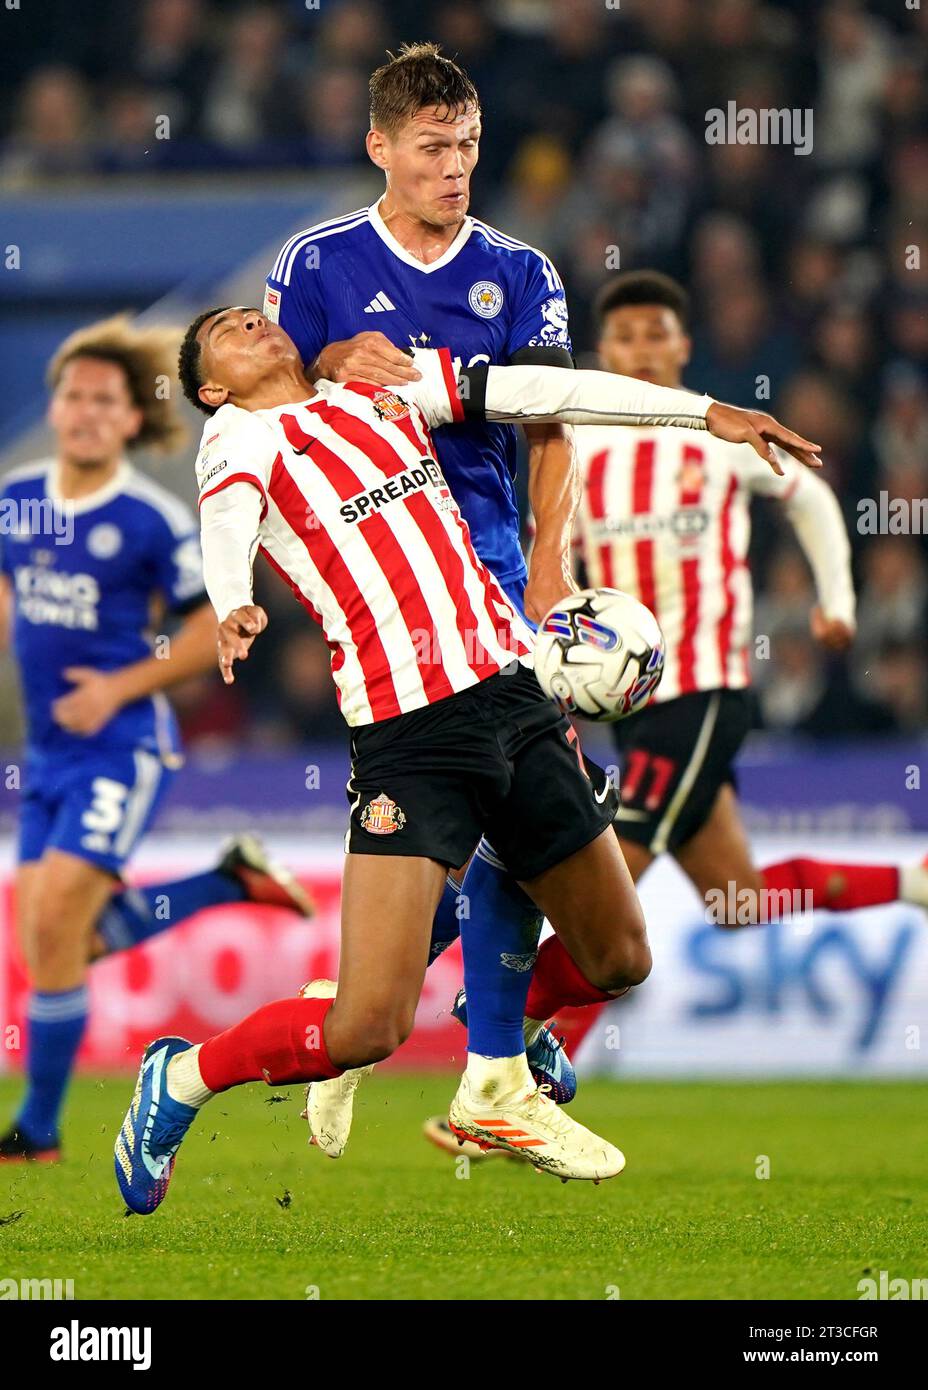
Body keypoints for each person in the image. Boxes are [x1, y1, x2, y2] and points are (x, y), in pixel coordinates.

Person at [111, 303, 820, 1212]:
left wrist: (702, 412)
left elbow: (546, 391)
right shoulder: (241, 437)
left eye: (257, 316)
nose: (255, 325)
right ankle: (182, 1079)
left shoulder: (385, 388)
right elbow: (230, 516)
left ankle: (500, 1044)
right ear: (211, 387)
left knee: (620, 958)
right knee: (364, 1025)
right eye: (230, 332)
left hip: (515, 696)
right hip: (409, 733)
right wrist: (234, 595)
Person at [424, 269, 928, 1153]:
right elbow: (548, 572)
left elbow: (806, 493)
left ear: (683, 346)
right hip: (627, 708)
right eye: (626, 340)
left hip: (703, 692)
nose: (645, 350)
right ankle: (913, 882)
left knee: (589, 874)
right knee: (737, 898)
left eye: (659, 336)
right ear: (602, 355)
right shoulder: (574, 446)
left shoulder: (716, 434)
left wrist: (837, 597)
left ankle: (510, 1037)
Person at [263, 40, 590, 1113]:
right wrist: (319, 363)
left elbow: (552, 423)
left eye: (469, 147)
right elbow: (253, 405)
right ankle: (480, 1047)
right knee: (490, 819)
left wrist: (546, 565)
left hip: (495, 576)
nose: (456, 168)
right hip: (392, 593)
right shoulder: (315, 266)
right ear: (380, 147)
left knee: (539, 814)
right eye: (433, 148)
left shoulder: (523, 271)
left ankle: (489, 1056)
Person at [0, 316, 311, 1163]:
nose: (88, 411)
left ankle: (39, 1129)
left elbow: (209, 626)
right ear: (56, 406)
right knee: (57, 941)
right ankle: (222, 883)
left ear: (134, 420)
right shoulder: (17, 499)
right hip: (50, 757)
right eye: (75, 396)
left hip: (123, 746)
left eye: (107, 400)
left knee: (59, 921)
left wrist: (116, 688)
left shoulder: (150, 520)